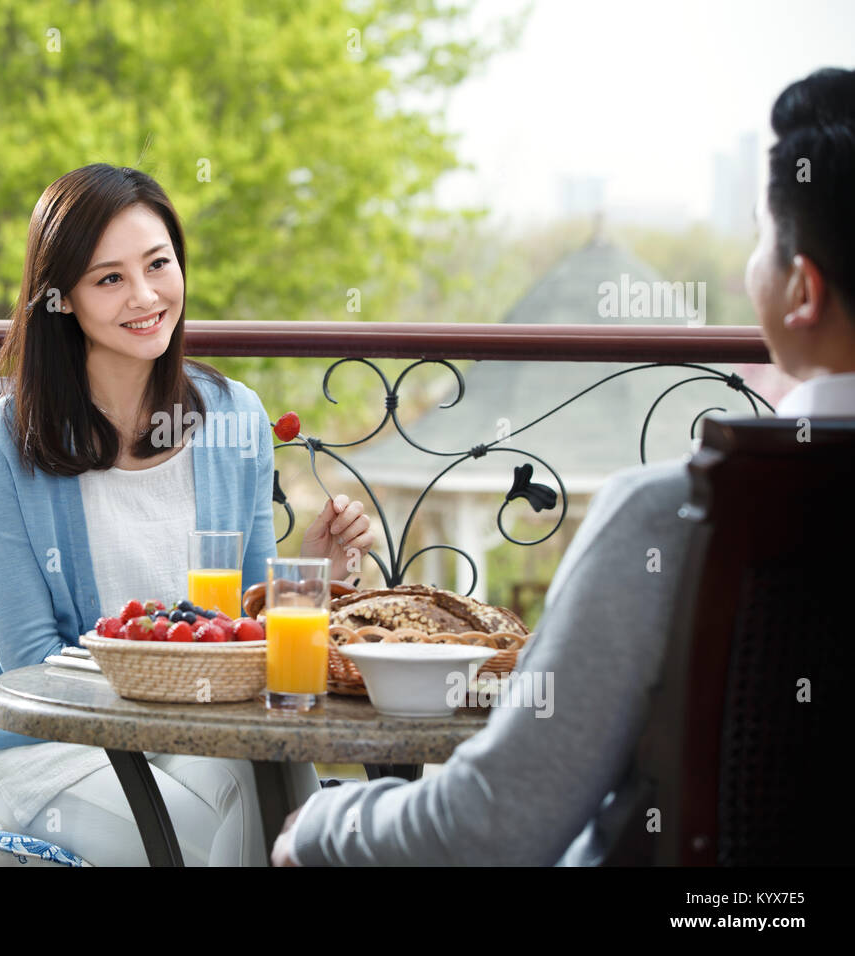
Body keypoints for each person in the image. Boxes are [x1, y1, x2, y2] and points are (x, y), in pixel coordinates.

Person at [273, 66, 855, 866]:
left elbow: (496, 825)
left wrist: (321, 826)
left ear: (801, 291)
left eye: (761, 238)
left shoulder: (677, 517)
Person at [0, 163, 375, 866]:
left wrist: (313, 576)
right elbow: (31, 665)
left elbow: (249, 630)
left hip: (204, 729)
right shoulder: (1, 445)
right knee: (216, 838)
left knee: (275, 789)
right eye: (109, 278)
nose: (145, 296)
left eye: (158, 264)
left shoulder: (235, 416)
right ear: (62, 299)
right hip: (53, 746)